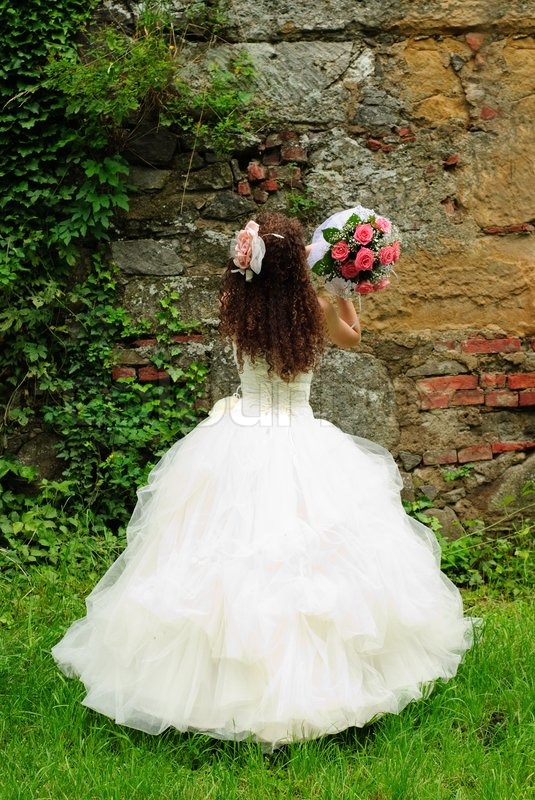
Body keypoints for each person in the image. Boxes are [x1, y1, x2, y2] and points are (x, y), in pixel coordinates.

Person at [52, 212, 476, 749]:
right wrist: (344, 289)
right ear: (299, 263)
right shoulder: (316, 310)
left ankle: (217, 687)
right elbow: (354, 337)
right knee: (316, 559)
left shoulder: (237, 307)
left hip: (239, 434)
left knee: (217, 554)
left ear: (249, 261)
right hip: (301, 437)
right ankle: (318, 687)